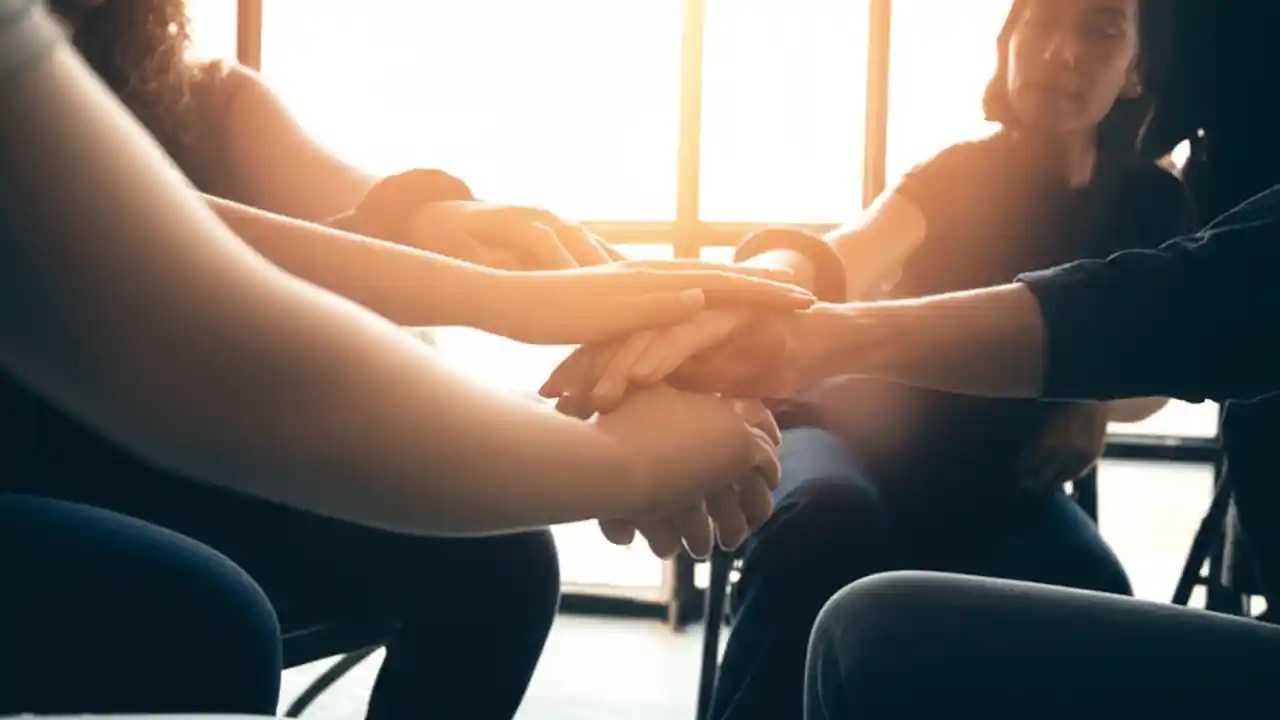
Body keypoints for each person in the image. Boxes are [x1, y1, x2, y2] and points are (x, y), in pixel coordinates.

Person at [0, 1, 812, 717]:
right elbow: (185, 302)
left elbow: (338, 210)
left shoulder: (198, 92)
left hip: (171, 468)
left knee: (499, 559)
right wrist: (621, 450)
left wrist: (437, 223)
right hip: (32, 468)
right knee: (205, 618)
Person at [543, 0, 1191, 715]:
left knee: (1095, 595)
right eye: (1041, 21)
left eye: (1099, 29)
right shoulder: (957, 173)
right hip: (842, 434)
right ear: (1009, 40)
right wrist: (748, 288)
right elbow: (848, 255)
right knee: (828, 517)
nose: (1060, 51)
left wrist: (1091, 394)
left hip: (991, 484)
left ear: (1137, 69)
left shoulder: (1153, 203)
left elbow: (1163, 367)